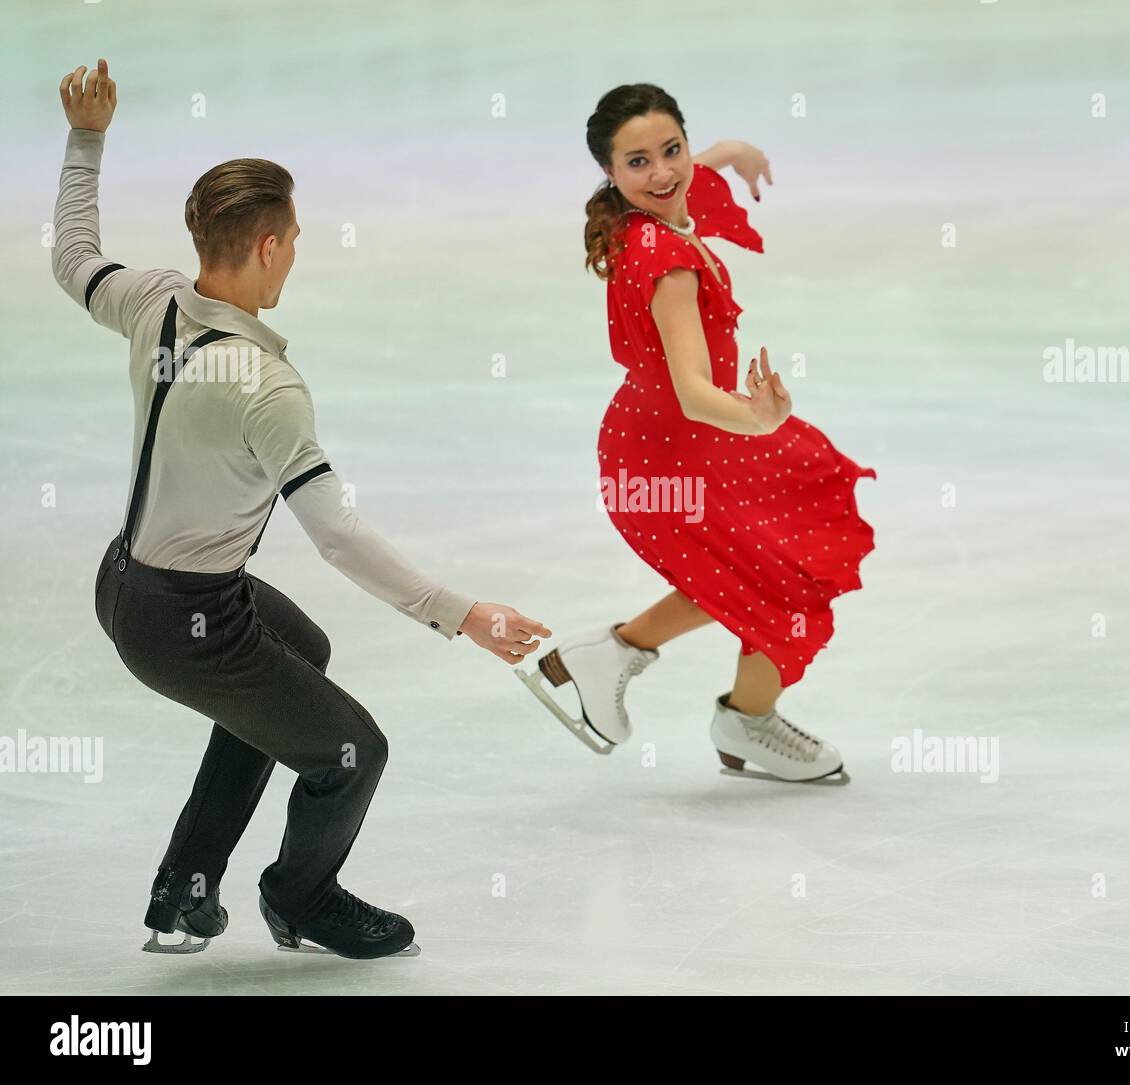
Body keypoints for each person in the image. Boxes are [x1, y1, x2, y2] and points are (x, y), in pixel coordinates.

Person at [55, 59, 550, 959]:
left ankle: (185, 886)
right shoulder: (267, 385)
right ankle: (302, 896)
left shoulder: (152, 300)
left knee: (304, 657)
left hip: (124, 579)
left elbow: (73, 259)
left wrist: (87, 140)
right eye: (296, 238)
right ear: (270, 246)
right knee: (353, 749)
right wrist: (464, 614)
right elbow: (338, 536)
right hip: (186, 619)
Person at [518, 84, 875, 783]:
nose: (663, 173)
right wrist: (761, 419)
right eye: (638, 162)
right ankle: (739, 714)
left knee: (772, 565)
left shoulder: (654, 214)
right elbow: (692, 391)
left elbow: (686, 183)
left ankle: (635, 663)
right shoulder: (668, 261)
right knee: (774, 575)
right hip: (667, 452)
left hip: (676, 442)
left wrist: (732, 151)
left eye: (672, 149)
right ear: (612, 176)